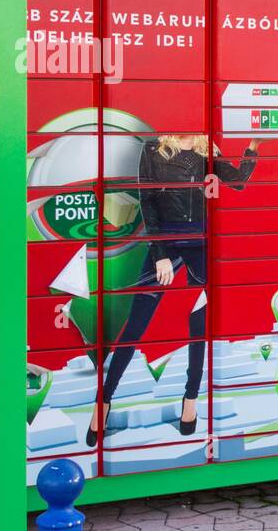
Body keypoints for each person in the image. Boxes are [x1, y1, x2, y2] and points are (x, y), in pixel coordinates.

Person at [86, 134, 260, 446]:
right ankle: (105, 400)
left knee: (198, 325)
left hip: (199, 242)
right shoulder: (154, 148)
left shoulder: (207, 149)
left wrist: (253, 146)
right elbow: (147, 201)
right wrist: (160, 253)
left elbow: (238, 181)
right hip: (164, 242)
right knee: (136, 324)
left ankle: (190, 399)